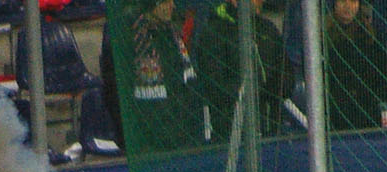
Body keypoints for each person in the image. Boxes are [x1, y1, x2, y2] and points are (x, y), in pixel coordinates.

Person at [194, 0, 292, 142]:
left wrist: (267, 89)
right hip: (232, 136)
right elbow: (215, 87)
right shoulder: (215, 32)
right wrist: (254, 88)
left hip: (271, 130)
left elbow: (287, 77)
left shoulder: (268, 29)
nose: (261, 1)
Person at [124, 0, 199, 152]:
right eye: (166, 2)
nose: (172, 6)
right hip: (153, 125)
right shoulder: (138, 36)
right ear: (154, 6)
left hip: (179, 121)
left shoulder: (172, 32)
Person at [323, 0, 387, 131]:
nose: (347, 6)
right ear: (334, 4)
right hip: (333, 118)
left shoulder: (371, 36)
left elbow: (383, 78)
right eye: (342, 1)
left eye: (353, 1)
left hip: (367, 116)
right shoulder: (321, 37)